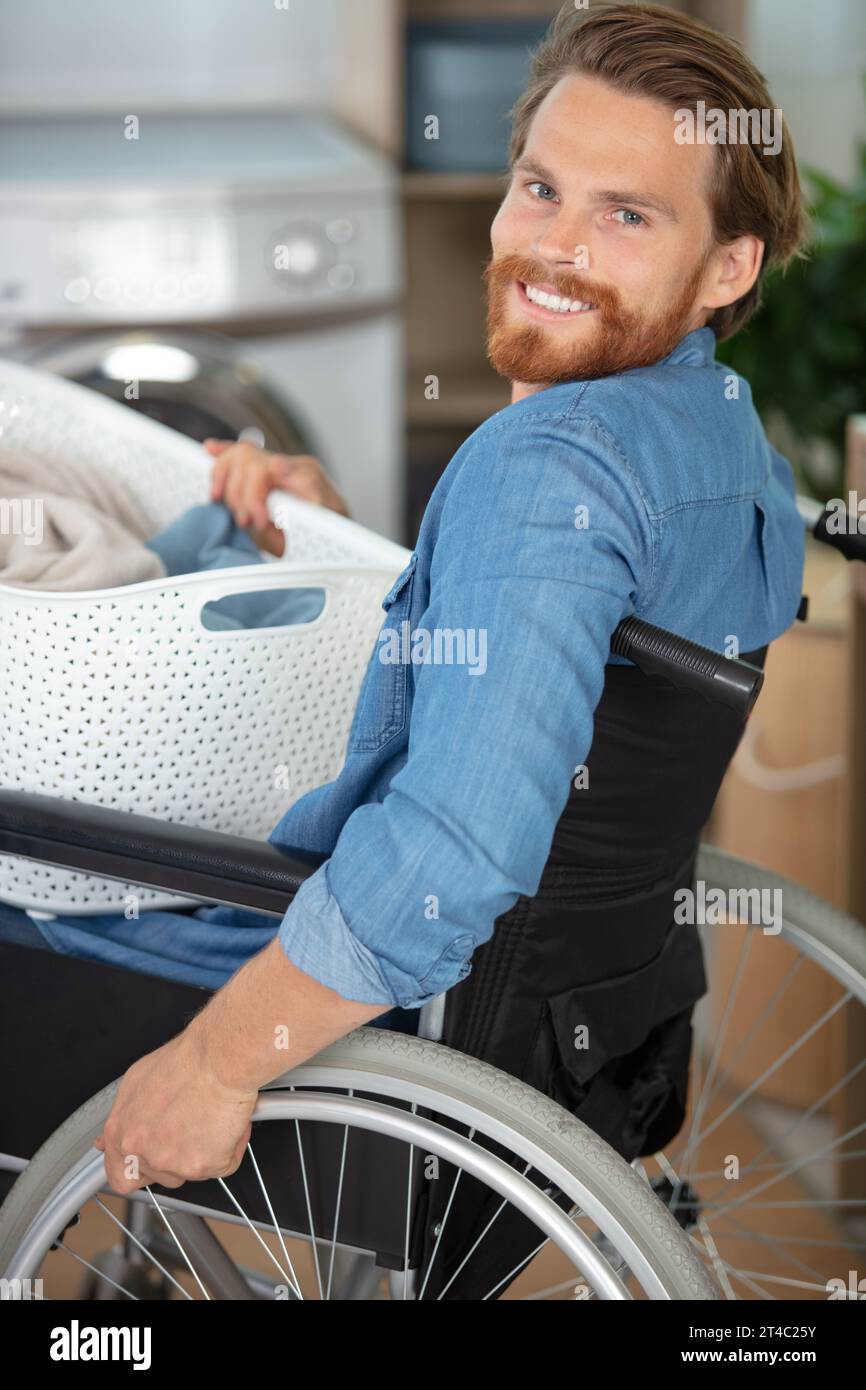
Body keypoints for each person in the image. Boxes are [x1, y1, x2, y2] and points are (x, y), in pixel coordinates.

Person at [10, 2, 810, 1193]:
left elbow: (454, 848)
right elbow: (562, 650)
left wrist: (220, 1065)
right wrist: (355, 544)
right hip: (578, 1009)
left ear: (727, 265)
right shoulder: (732, 451)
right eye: (539, 189)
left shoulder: (541, 469)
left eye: (625, 214)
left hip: (377, 1001)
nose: (554, 247)